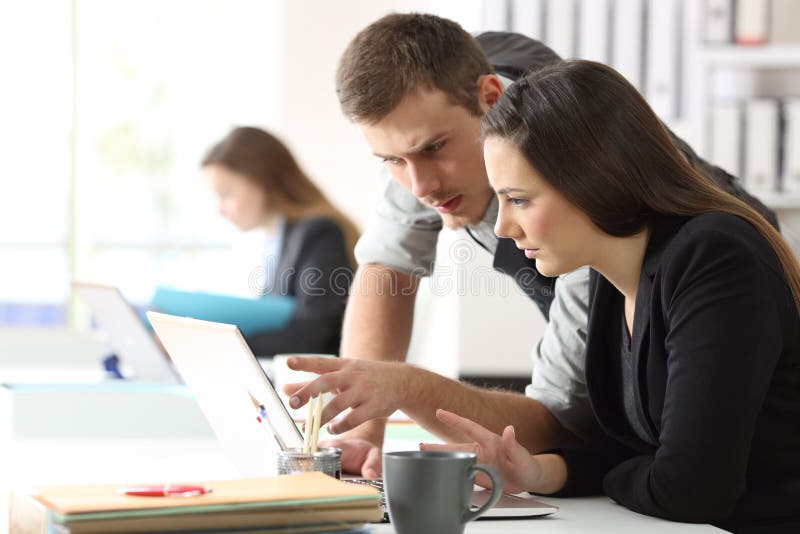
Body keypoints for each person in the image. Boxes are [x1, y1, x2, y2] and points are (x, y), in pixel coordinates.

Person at [284, 13, 778, 479]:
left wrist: (408, 388)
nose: (418, 187)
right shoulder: (429, 122)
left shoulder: (587, 206)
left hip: (730, 353)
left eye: (432, 149)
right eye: (391, 160)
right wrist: (362, 429)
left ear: (491, 97)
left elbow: (562, 419)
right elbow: (386, 267)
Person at [415, 60, 800, 533]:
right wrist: (536, 471)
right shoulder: (609, 275)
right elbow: (637, 448)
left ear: (593, 179)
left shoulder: (713, 255)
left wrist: (630, 473)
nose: (502, 228)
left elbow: (690, 490)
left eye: (520, 199)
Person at [201, 126, 359, 357]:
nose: (220, 210)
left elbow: (311, 336)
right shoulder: (279, 239)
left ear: (259, 182)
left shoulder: (320, 234)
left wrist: (215, 346)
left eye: (226, 193)